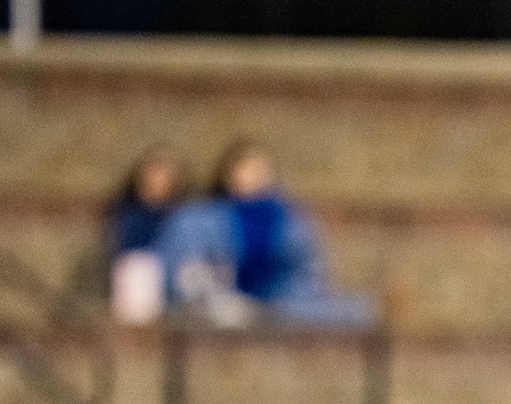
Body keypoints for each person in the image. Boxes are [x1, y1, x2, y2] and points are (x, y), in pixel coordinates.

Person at [155, 140, 375, 327]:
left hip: (283, 306)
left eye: (258, 169)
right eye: (245, 169)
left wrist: (278, 302)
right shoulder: (199, 219)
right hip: (219, 308)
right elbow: (179, 271)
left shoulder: (291, 220)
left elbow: (310, 272)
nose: (252, 177)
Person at [105, 145, 184, 325]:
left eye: (165, 173)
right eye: (154, 170)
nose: (159, 178)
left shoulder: (184, 215)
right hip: (135, 292)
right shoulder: (126, 214)